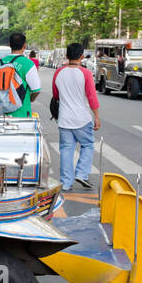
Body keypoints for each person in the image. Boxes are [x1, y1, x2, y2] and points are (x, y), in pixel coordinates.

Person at [53, 42, 101, 191]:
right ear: (82, 57)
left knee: (66, 150)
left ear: (66, 56)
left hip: (64, 119)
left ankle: (66, 183)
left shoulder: (58, 72)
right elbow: (92, 96)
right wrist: (97, 116)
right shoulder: (85, 73)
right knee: (87, 145)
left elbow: (56, 95)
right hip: (82, 119)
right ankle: (81, 173)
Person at [0, 31, 41, 117]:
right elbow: (36, 90)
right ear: (24, 46)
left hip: (1, 114)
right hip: (21, 114)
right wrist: (31, 99)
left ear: (9, 45)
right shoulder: (28, 64)